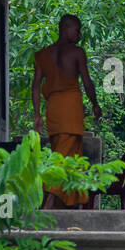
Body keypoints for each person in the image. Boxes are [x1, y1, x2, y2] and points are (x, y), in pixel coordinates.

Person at [32, 14, 102, 209]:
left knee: (62, 155)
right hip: (71, 107)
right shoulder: (77, 52)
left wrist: (37, 114)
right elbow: (87, 83)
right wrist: (95, 104)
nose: (79, 34)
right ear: (66, 29)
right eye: (77, 30)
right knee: (64, 158)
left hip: (53, 108)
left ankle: (60, 206)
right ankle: (49, 200)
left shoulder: (42, 54)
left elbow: (36, 87)